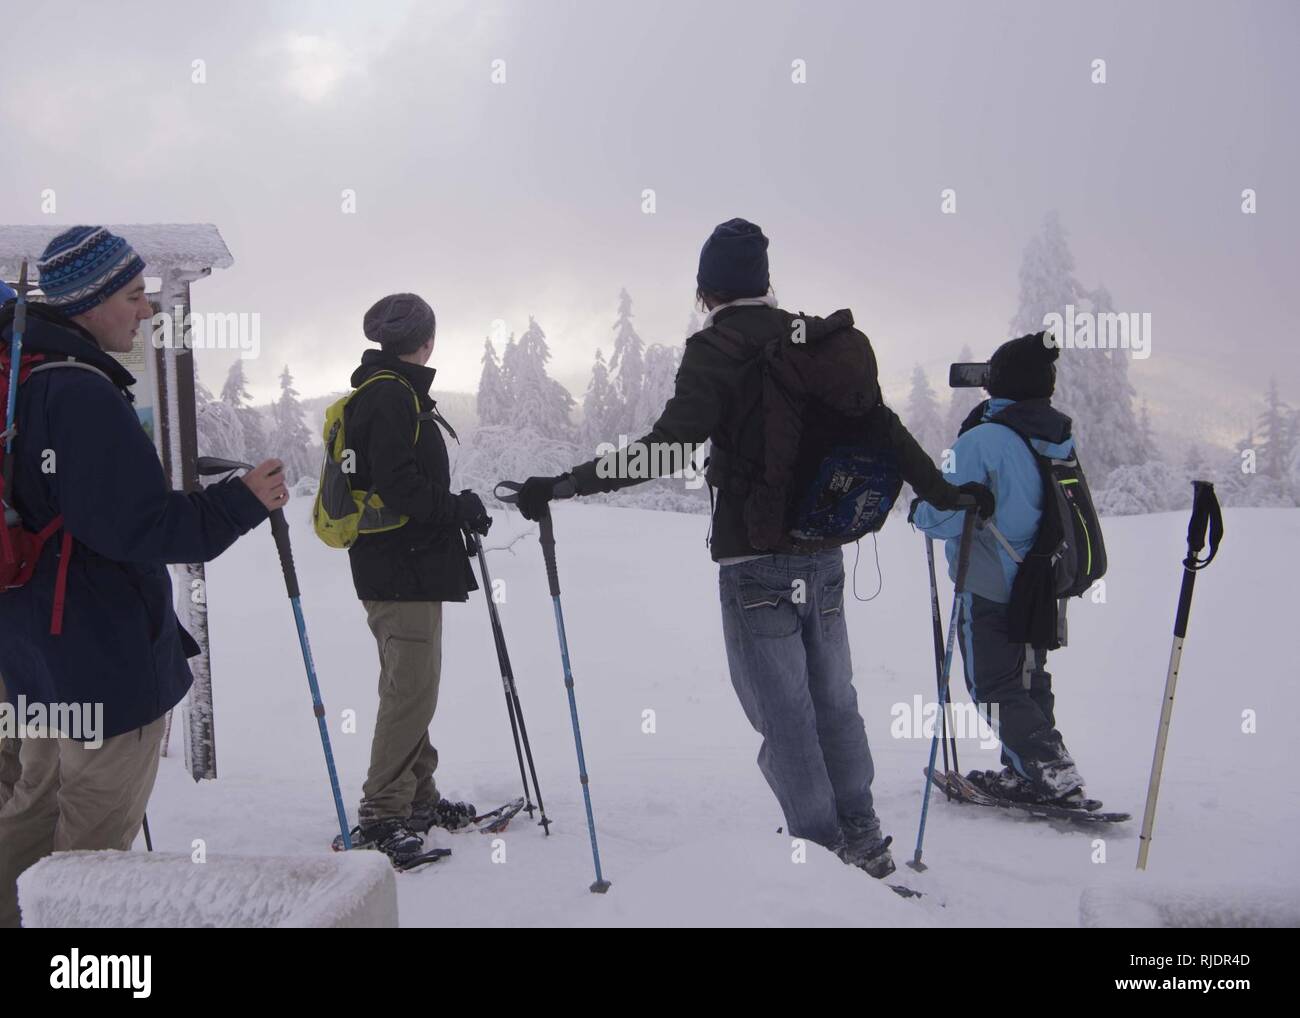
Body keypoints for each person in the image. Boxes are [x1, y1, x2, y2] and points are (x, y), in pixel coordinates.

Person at [515, 218, 992, 879]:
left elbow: (670, 446)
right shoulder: (814, 340)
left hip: (756, 561)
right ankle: (864, 833)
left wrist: (567, 482)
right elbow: (884, 427)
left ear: (707, 291)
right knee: (834, 698)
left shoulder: (718, 349)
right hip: (823, 552)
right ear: (766, 284)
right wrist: (945, 493)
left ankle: (822, 855)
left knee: (784, 714)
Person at [0, 226, 285, 927]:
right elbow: (138, 527)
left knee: (33, 808)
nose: (146, 310)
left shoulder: (22, 379)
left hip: (38, 656)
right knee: (94, 843)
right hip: (100, 657)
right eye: (132, 295)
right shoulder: (81, 393)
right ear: (87, 303)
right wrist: (243, 500)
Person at [337, 293, 491, 866]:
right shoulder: (390, 397)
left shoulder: (391, 391)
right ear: (426, 339)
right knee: (409, 693)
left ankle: (418, 797)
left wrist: (453, 511)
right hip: (398, 570)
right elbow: (400, 488)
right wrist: (459, 508)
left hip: (405, 569)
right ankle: (382, 815)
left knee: (413, 689)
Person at [911, 333, 1089, 804]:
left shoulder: (984, 438)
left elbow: (944, 514)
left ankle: (1051, 770)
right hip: (1043, 582)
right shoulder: (1054, 434)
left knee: (992, 685)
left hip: (991, 583)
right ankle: (1029, 771)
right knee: (1028, 679)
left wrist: (919, 512)